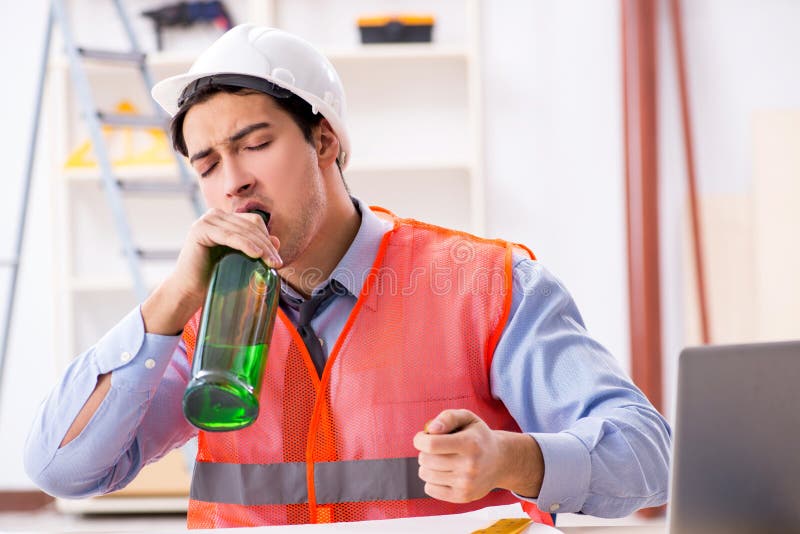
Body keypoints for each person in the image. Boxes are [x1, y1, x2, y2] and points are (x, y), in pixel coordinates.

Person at [24, 25, 671, 529]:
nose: (232, 181)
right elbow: (64, 468)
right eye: (207, 164)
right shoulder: (199, 320)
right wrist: (170, 301)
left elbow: (650, 457)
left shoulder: (485, 285)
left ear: (326, 139)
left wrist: (512, 458)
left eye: (254, 143)